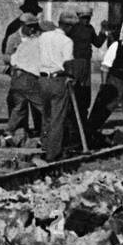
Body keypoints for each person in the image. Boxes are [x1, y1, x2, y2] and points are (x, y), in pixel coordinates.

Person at [37, 17, 76, 162]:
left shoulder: (43, 37)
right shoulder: (66, 41)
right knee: (57, 117)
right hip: (57, 79)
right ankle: (53, 153)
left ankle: (45, 146)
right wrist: (71, 77)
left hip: (42, 80)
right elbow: (68, 62)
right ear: (69, 27)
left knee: (45, 116)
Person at [5, 15, 43, 145]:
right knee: (39, 106)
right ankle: (25, 131)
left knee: (20, 107)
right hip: (23, 76)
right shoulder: (14, 38)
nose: (33, 29)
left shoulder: (37, 38)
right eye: (30, 27)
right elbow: (7, 57)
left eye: (34, 27)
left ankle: (10, 132)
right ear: (23, 26)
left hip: (28, 76)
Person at [60, 7, 94, 126]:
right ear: (79, 18)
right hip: (75, 63)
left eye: (88, 18)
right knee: (75, 89)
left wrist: (104, 33)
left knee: (85, 91)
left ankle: (82, 119)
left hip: (86, 62)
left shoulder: (90, 29)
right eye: (84, 18)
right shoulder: (73, 29)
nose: (86, 20)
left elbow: (98, 42)